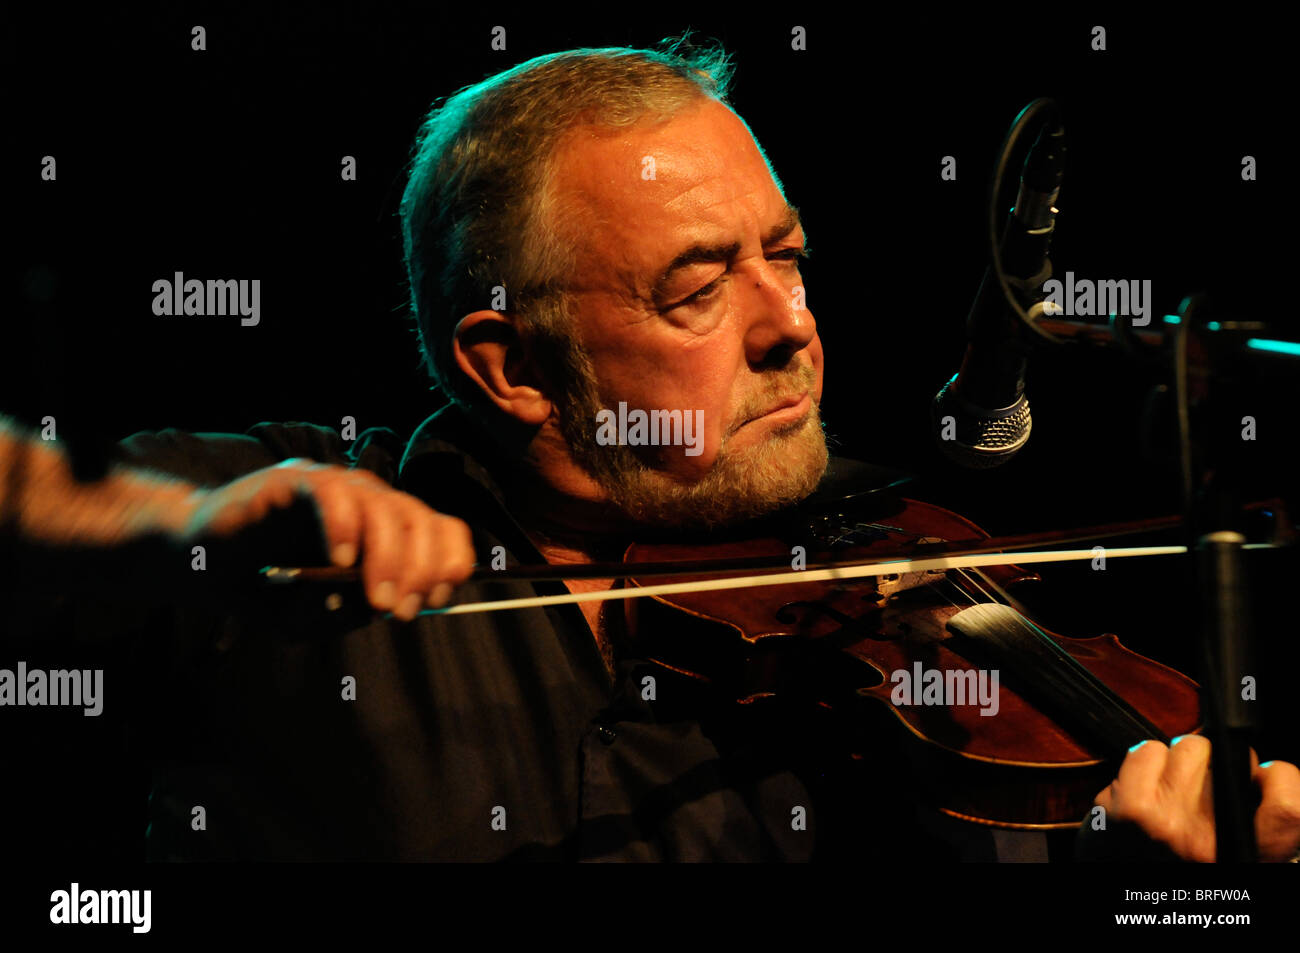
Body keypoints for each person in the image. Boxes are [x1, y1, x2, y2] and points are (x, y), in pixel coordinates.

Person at [4, 38, 1298, 862]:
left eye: (788, 259)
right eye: (700, 287)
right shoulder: (296, 539)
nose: (792, 327)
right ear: (509, 367)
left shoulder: (913, 653)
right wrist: (165, 530)